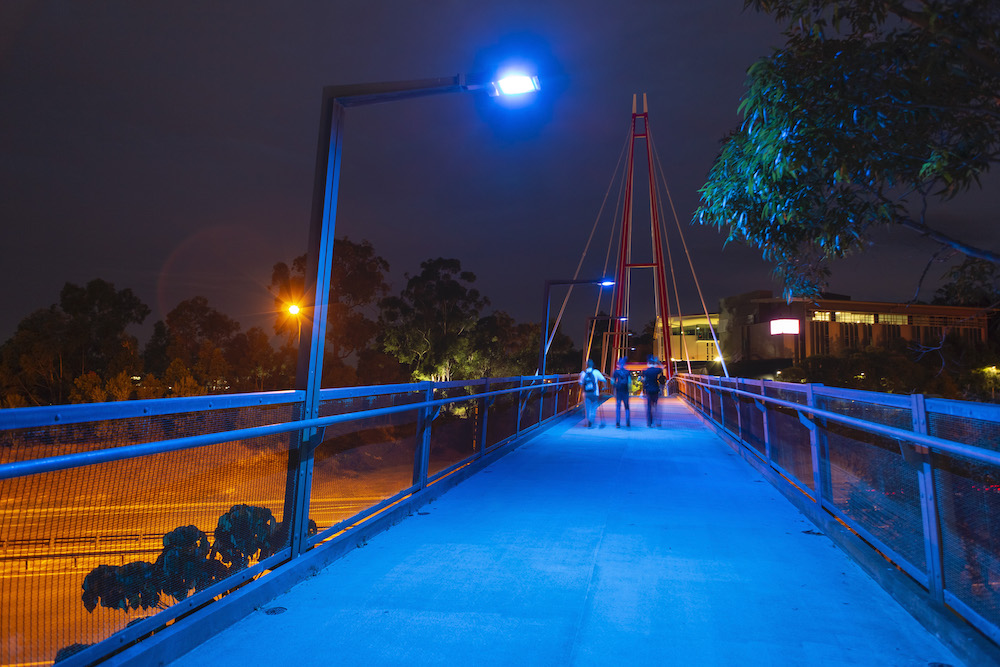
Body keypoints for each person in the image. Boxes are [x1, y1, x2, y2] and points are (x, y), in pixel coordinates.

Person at [578, 359, 607, 428]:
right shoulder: (596, 372)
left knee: (587, 408)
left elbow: (580, 383)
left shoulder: (583, 373)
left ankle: (588, 421)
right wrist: (604, 387)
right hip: (594, 393)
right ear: (593, 365)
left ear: (587, 365)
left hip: (586, 393)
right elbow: (604, 380)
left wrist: (583, 390)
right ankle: (591, 419)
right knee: (594, 407)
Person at [641, 355, 666, 427]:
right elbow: (662, 368)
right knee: (656, 406)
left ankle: (649, 423)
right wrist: (658, 362)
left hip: (648, 390)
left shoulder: (645, 371)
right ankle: (657, 422)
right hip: (655, 389)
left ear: (648, 363)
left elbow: (643, 379)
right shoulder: (656, 370)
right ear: (654, 363)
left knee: (649, 407)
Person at [611, 357, 632, 428]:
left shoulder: (616, 372)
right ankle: (628, 422)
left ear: (618, 364)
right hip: (625, 391)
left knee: (618, 407)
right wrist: (630, 390)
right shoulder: (627, 372)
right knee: (627, 407)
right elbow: (629, 382)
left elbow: (612, 382)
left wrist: (615, 387)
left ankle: (618, 423)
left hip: (619, 391)